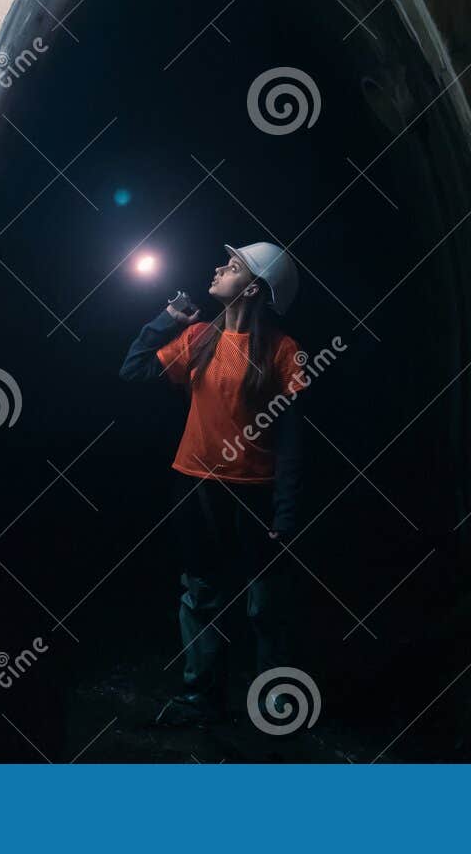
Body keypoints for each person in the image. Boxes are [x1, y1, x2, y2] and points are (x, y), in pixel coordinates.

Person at [118, 241, 308, 726]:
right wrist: (167, 320)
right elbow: (134, 368)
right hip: (194, 487)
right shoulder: (201, 337)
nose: (220, 266)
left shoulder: (285, 353)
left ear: (252, 287)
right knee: (201, 594)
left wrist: (286, 514)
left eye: (234, 265)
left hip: (255, 491)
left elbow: (292, 441)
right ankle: (200, 697)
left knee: (264, 601)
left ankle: (276, 703)